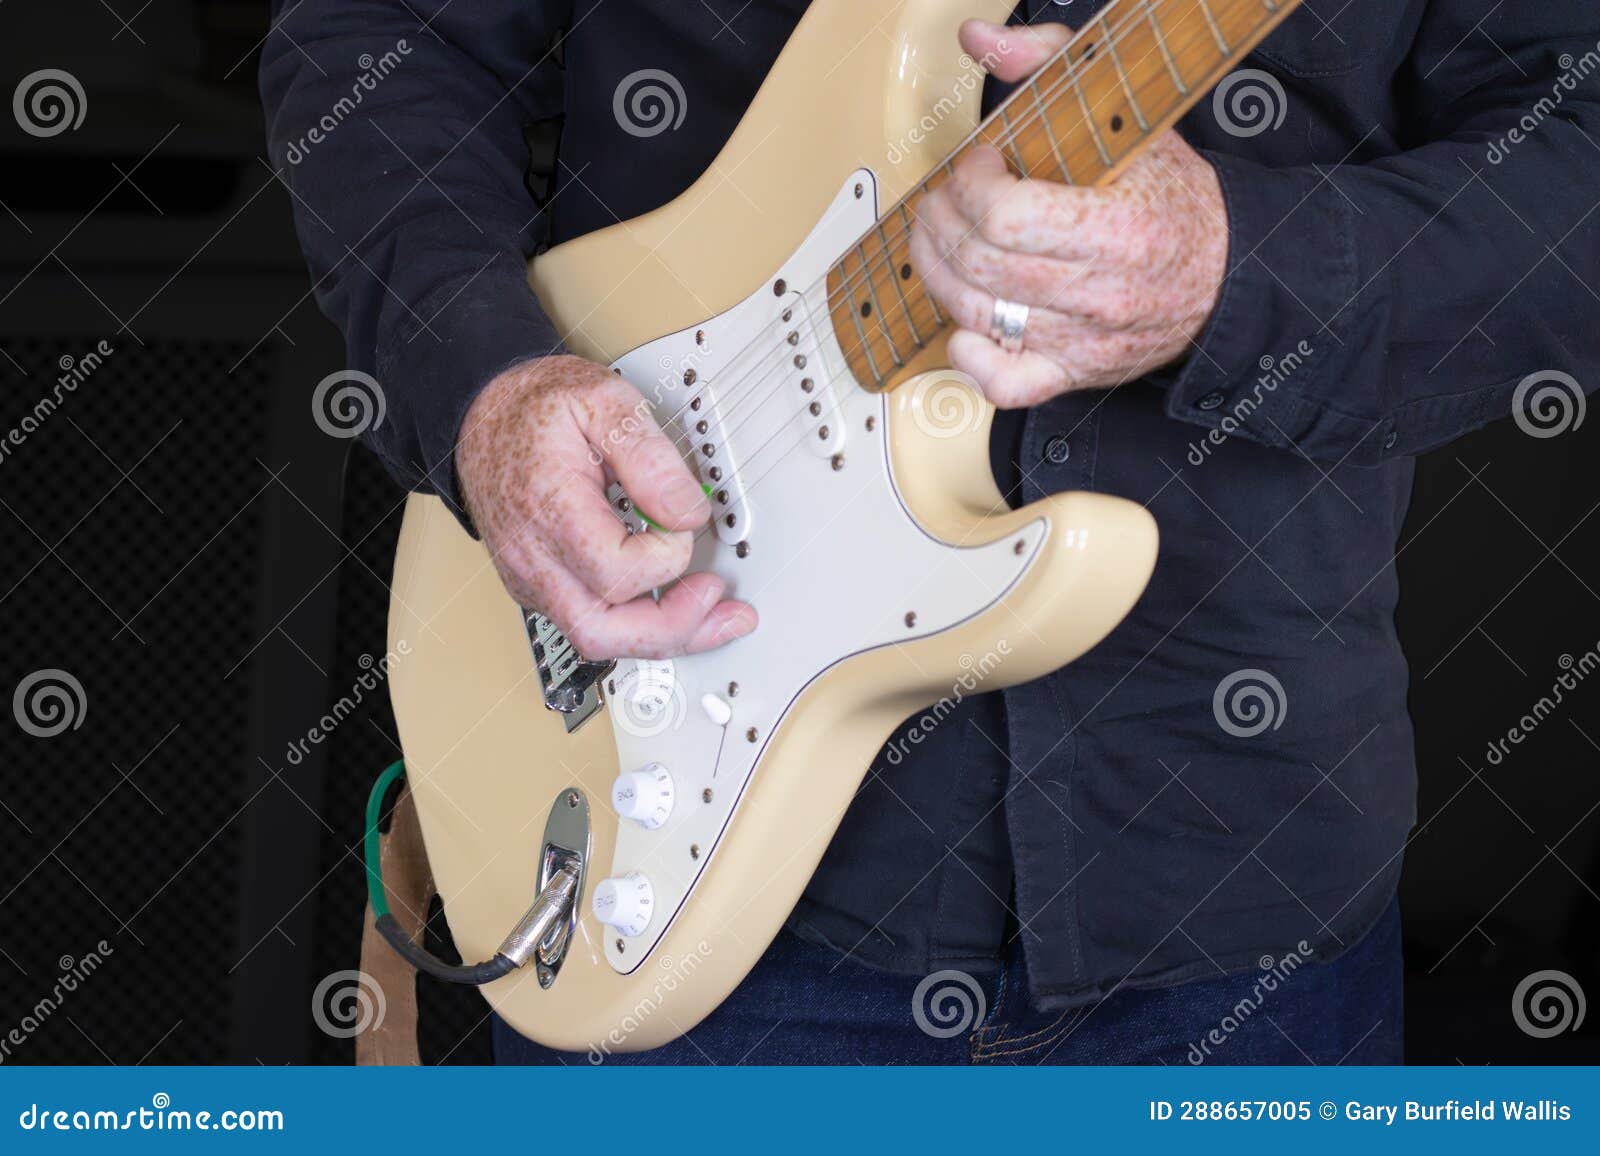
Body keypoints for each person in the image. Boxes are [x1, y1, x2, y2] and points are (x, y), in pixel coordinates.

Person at [262, 0, 1600, 1064]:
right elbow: (383, 31)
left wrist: (1242, 270)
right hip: (677, 843)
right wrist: (484, 385)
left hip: (1239, 913)